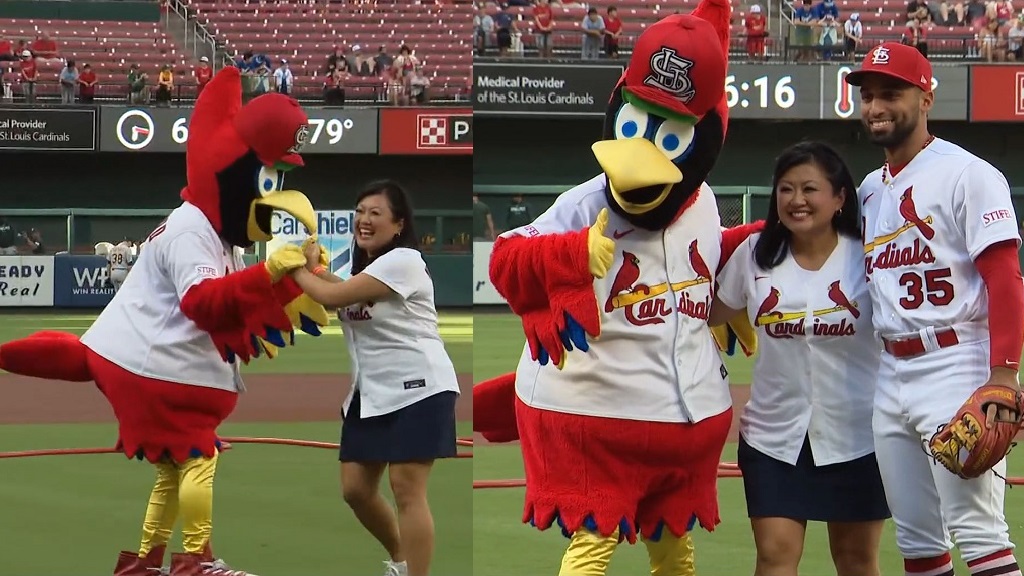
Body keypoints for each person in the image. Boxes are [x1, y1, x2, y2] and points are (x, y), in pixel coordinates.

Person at [845, 42, 1024, 576]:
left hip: (956, 362)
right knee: (919, 544)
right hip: (891, 372)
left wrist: (1003, 376)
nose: (876, 106)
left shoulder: (968, 173)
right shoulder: (871, 190)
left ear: (925, 98)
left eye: (891, 94)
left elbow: (1005, 279)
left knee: (979, 534)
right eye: (868, 95)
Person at [710, 141, 889, 576]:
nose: (797, 200)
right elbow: (706, 313)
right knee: (774, 559)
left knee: (856, 561)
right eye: (786, 189)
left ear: (840, 197)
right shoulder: (755, 253)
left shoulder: (870, 256)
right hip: (774, 438)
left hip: (859, 437)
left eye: (810, 189)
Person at [289, 181, 460, 576]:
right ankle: (403, 557)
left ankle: (414, 571)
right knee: (356, 490)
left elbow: (332, 298)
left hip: (420, 388)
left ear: (398, 224)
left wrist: (295, 266)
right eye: (360, 210)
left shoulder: (404, 260)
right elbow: (344, 290)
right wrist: (315, 269)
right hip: (370, 392)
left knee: (407, 490)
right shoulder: (363, 268)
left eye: (375, 213)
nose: (364, 220)